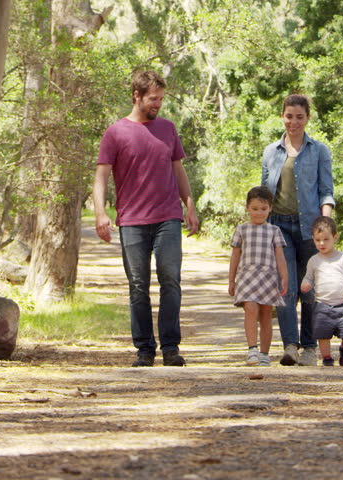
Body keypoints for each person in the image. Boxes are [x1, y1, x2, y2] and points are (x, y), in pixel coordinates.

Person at [92, 69, 200, 367]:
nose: (158, 104)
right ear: (136, 96)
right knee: (138, 285)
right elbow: (101, 175)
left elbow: (178, 170)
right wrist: (101, 213)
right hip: (132, 221)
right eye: (153, 99)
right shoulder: (116, 133)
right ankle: (144, 349)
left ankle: (170, 347)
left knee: (171, 280)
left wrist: (189, 204)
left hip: (168, 217)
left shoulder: (168, 129)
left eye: (161, 99)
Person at [262, 94, 335, 366]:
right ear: (282, 116)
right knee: (286, 288)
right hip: (279, 228)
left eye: (299, 117)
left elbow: (326, 191)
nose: (293, 122)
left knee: (310, 290)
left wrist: (325, 226)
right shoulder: (271, 151)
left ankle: (309, 347)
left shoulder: (319, 151)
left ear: (308, 118)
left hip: (310, 229)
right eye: (289, 116)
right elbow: (263, 195)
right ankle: (290, 346)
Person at [228, 186, 289, 367]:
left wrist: (284, 277)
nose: (259, 213)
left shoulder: (274, 231)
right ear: (247, 208)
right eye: (254, 209)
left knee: (265, 314)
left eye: (263, 209)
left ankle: (264, 353)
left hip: (268, 277)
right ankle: (252, 349)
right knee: (251, 308)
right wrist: (231, 279)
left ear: (270, 208)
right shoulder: (242, 230)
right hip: (247, 276)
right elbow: (235, 255)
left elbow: (280, 256)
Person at [300, 216, 343, 366]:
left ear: (335, 237)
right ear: (313, 238)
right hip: (322, 305)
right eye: (317, 240)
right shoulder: (314, 260)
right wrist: (306, 284)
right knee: (322, 334)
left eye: (326, 239)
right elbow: (308, 278)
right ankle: (326, 358)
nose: (321, 243)